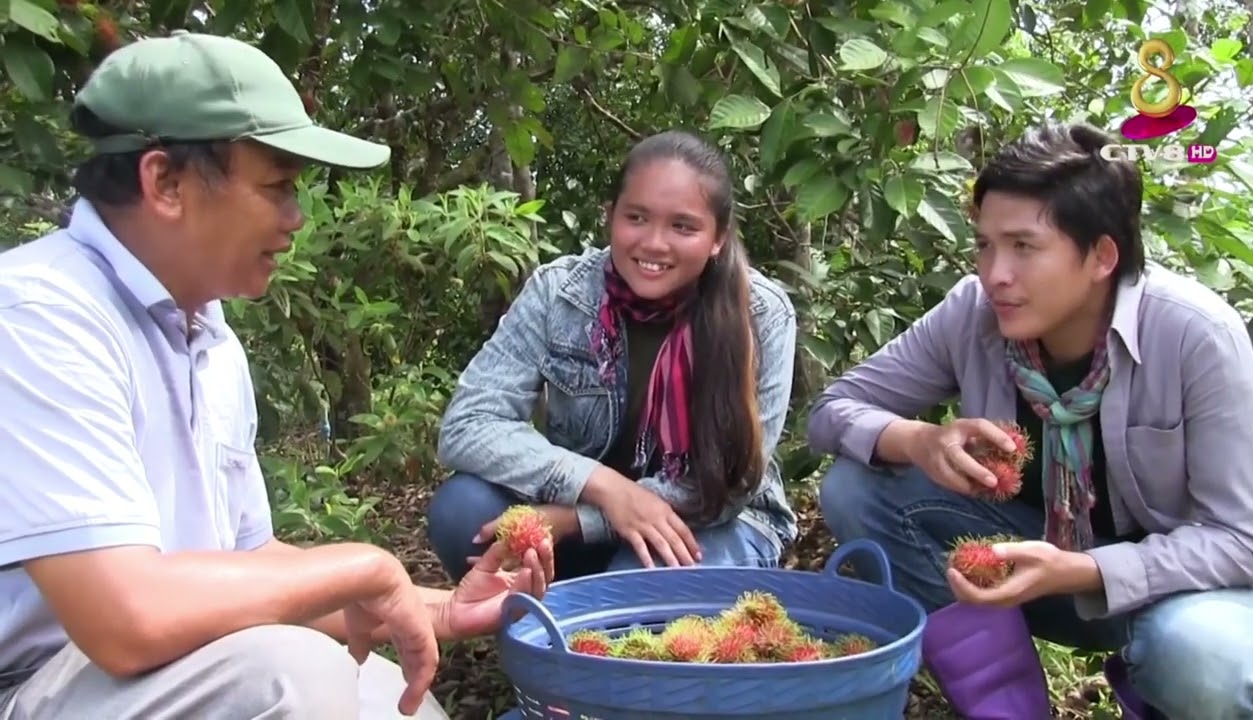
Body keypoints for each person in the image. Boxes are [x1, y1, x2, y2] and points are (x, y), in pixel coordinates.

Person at [0, 31, 552, 720]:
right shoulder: (39, 315)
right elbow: (127, 616)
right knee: (293, 676)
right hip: (37, 679)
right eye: (277, 187)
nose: (295, 218)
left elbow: (249, 565)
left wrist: (435, 607)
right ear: (165, 182)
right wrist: (365, 566)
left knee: (385, 699)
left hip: (158, 667)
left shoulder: (208, 334)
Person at [807, 122, 1253, 720]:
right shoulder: (974, 314)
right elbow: (830, 412)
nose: (995, 272)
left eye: (1024, 247)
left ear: (1102, 256)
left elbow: (1248, 541)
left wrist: (1081, 569)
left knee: (1201, 659)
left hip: (1174, 592)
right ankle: (1005, 701)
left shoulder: (1194, 334)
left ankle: (1154, 686)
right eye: (984, 245)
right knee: (858, 487)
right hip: (1030, 570)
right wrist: (921, 439)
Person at [425, 130, 799, 584]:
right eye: (637, 217)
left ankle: (611, 627)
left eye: (683, 226)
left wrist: (579, 519)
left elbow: (729, 486)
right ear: (610, 217)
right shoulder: (559, 293)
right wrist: (601, 486)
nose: (654, 244)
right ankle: (537, 631)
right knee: (463, 510)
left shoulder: (760, 314)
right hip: (578, 509)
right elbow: (468, 424)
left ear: (717, 237)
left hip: (709, 526)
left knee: (637, 587)